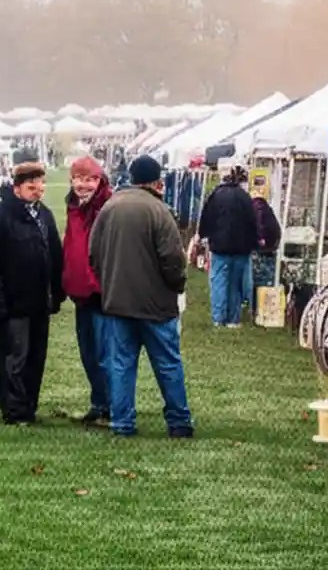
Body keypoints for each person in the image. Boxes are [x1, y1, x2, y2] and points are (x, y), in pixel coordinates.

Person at [90, 154, 193, 438]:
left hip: (117, 302)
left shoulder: (109, 208)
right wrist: (178, 286)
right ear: (158, 182)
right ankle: (179, 420)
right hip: (156, 304)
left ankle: (122, 422)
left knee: (121, 364)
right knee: (168, 363)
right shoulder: (160, 211)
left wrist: (109, 283)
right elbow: (173, 259)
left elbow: (94, 253)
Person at [0, 162, 65, 426]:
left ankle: (29, 406)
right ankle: (14, 410)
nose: (38, 190)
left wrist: (57, 293)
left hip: (40, 301)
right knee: (15, 357)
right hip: (13, 301)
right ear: (17, 188)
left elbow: (55, 255)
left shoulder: (44, 215)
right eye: (32, 186)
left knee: (36, 357)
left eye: (41, 184)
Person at [61, 156, 113, 426]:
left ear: (99, 180)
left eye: (90, 179)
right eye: (79, 179)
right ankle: (99, 402)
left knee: (106, 354)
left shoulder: (106, 207)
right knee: (89, 353)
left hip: (101, 292)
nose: (84, 185)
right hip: (81, 293)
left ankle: (112, 406)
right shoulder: (74, 208)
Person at [198, 166, 260, 327]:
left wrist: (203, 235)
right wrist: (254, 243)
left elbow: (207, 217)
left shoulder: (216, 196)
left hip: (219, 246)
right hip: (241, 247)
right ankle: (233, 319)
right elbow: (252, 222)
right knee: (235, 284)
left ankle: (218, 317)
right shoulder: (245, 197)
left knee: (219, 281)